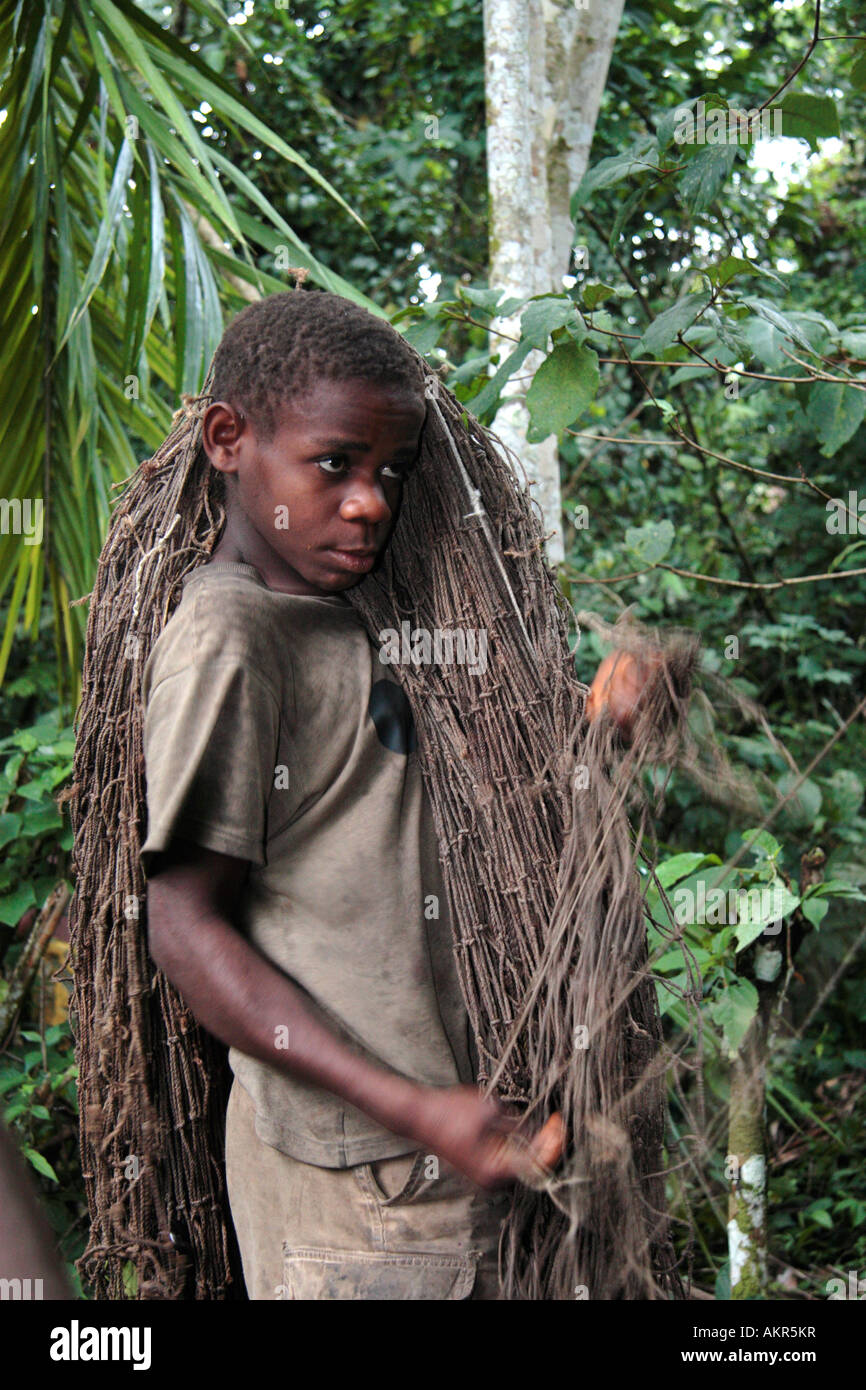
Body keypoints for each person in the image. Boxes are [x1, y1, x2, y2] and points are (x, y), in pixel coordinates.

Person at [140, 291, 648, 1301]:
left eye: (391, 474)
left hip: (445, 1178)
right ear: (228, 441)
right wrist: (413, 1110)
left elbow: (411, 819)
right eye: (333, 464)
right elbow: (185, 927)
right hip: (358, 1195)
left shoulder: (347, 618)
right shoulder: (229, 642)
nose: (370, 502)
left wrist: (601, 729)